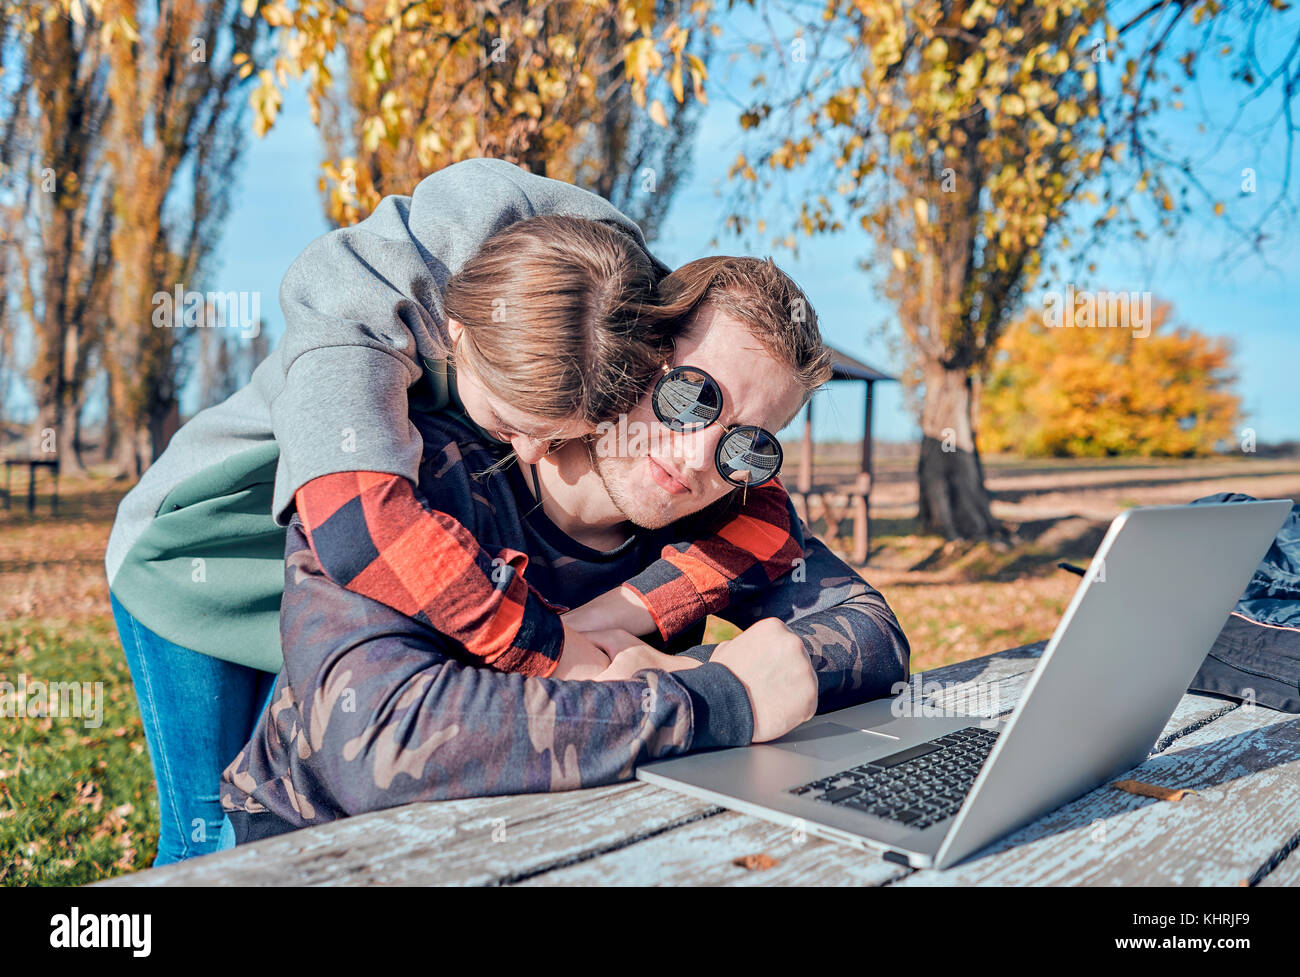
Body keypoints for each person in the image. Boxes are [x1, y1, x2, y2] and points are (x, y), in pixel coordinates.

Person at [105, 161, 808, 864]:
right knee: (206, 834)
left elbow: (768, 516)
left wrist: (630, 607)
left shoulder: (615, 307)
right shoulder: (362, 308)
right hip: (201, 551)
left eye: (564, 430)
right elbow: (357, 524)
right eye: (510, 425)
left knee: (287, 805)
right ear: (455, 333)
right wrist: (551, 645)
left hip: (319, 576)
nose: (534, 450)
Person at [218, 255, 911, 845]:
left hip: (541, 838)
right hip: (315, 845)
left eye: (747, 442)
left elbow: (875, 635)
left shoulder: (724, 512)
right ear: (632, 353)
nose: (701, 455)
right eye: (692, 396)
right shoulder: (406, 472)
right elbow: (380, 743)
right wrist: (714, 699)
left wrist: (769, 669)